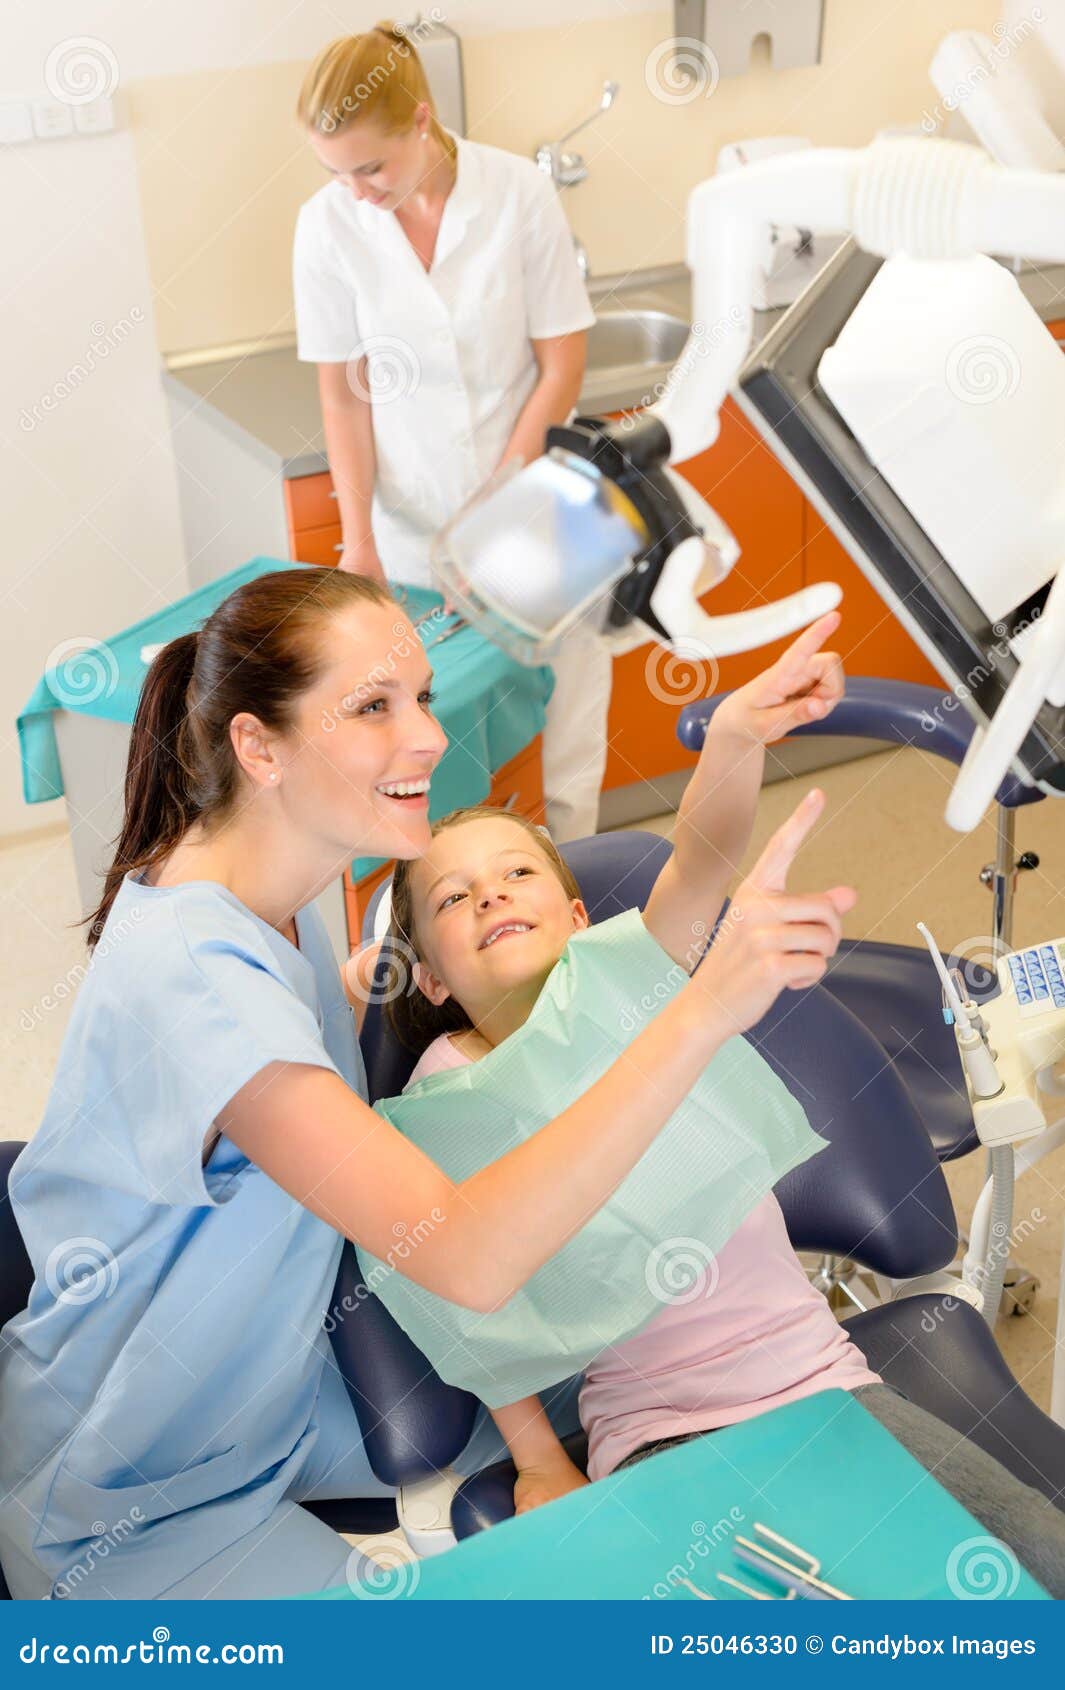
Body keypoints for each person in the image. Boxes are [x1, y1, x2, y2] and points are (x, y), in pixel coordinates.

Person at [0, 569, 846, 1601]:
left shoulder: (285, 885)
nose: (432, 738)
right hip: (134, 1485)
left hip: (279, 1398)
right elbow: (465, 1256)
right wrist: (703, 1008)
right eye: (372, 706)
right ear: (257, 748)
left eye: (422, 698)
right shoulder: (201, 987)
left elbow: (301, 1026)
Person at [379, 612, 1065, 1600]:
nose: (489, 897)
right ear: (432, 977)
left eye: (517, 871)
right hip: (668, 1435)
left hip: (829, 1388)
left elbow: (700, 856)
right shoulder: (446, 1091)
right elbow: (471, 1306)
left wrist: (739, 739)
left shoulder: (636, 979)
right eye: (452, 899)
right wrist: (537, 1457)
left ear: (581, 919)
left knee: (1030, 1563)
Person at [292, 23, 611, 843]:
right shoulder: (327, 226)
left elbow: (561, 368)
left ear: (422, 120)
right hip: (409, 535)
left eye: (371, 166)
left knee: (569, 721)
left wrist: (500, 498)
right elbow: (343, 395)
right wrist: (357, 541)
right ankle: (444, 919)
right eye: (335, 172)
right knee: (428, 735)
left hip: (537, 508)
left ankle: (579, 890)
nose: (356, 189)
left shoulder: (516, 193)